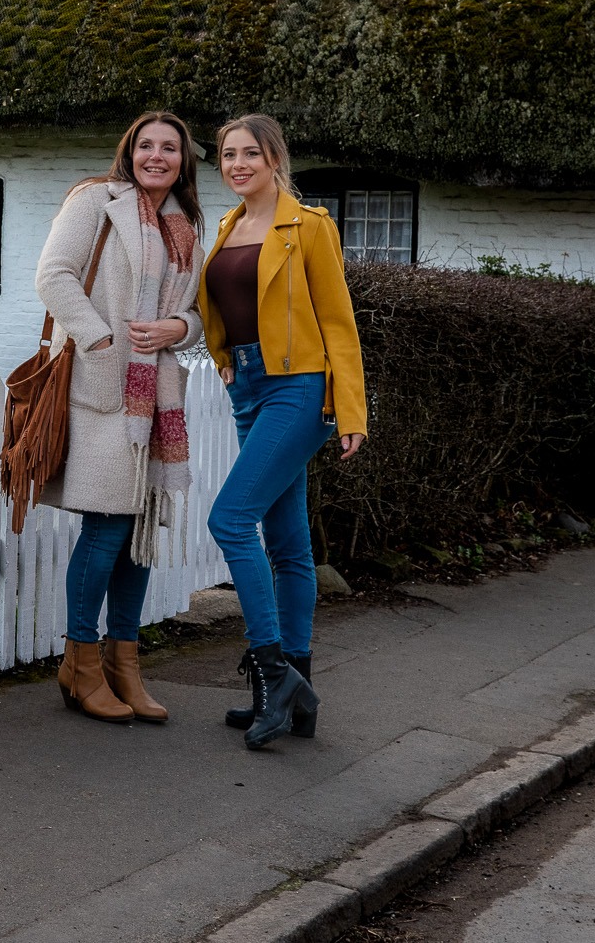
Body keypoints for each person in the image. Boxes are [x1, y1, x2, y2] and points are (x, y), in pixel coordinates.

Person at [199, 114, 366, 750]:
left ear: (275, 160)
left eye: (250, 153)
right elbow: (225, 310)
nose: (238, 165)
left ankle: (273, 675)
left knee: (230, 520)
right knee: (288, 543)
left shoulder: (310, 226)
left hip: (297, 388)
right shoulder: (227, 226)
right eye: (228, 155)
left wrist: (351, 410)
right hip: (248, 387)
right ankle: (298, 691)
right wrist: (224, 360)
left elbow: (339, 321)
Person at [34, 110, 206, 723]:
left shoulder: (185, 226)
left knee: (139, 532)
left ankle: (123, 665)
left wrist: (178, 328)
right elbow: (53, 276)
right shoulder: (94, 201)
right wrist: (101, 340)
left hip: (154, 399)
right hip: (100, 390)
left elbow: (199, 312)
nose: (156, 156)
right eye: (146, 145)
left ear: (183, 162)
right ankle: (80, 665)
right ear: (129, 152)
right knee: (107, 527)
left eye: (170, 148)